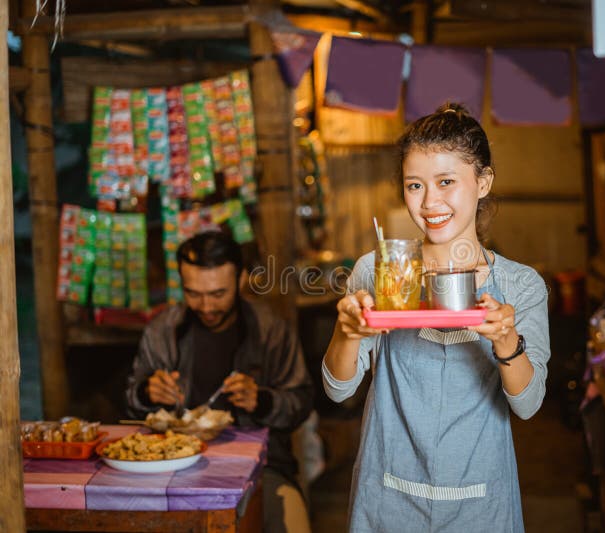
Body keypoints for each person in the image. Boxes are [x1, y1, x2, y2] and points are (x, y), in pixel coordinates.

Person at [322, 103, 551, 532]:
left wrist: (505, 340)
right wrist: (347, 331)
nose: (429, 203)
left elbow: (528, 403)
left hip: (482, 503)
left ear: (483, 182)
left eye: (446, 182)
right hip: (386, 497)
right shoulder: (378, 272)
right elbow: (338, 391)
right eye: (414, 186)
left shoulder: (520, 285)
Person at [125, 230, 313, 533]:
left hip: (264, 469)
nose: (206, 307)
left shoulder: (270, 330)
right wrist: (147, 393)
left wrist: (261, 400)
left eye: (217, 294)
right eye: (193, 294)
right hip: (175, 466)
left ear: (240, 281)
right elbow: (132, 402)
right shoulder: (163, 331)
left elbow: (301, 402)